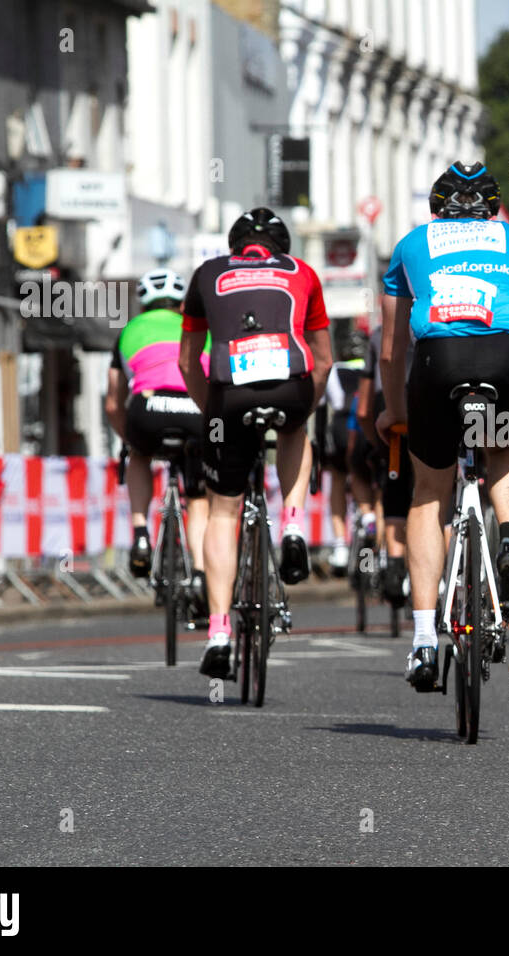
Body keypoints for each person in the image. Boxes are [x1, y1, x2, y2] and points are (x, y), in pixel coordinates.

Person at [376, 161, 509, 690]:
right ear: (495, 208)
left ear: (435, 209)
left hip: (439, 360)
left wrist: (393, 412)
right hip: (508, 357)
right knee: (505, 446)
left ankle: (425, 640)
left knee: (429, 491)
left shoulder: (411, 244)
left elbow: (390, 348)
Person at [179, 207, 333, 679]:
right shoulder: (302, 272)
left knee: (223, 512)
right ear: (281, 248)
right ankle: (292, 525)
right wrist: (306, 407)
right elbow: (324, 360)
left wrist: (214, 415)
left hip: (229, 392)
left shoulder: (207, 273)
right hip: (290, 383)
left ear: (235, 247)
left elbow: (188, 363)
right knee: (293, 428)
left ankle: (219, 633)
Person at [106, 269, 210, 597]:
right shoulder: (197, 327)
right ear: (181, 304)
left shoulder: (128, 331)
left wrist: (129, 437)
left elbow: (112, 401)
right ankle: (200, 572)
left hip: (148, 409)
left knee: (138, 454)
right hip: (194, 408)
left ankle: (140, 532)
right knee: (198, 498)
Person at [355, 323, 412, 606]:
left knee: (393, 490)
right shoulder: (440, 315)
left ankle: (394, 564)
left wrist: (376, 445)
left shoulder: (379, 334)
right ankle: (444, 577)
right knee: (439, 490)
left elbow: (363, 410)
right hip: (429, 399)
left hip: (386, 411)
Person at [318, 329, 375, 575]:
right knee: (373, 479)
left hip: (341, 428)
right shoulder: (370, 366)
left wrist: (321, 452)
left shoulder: (333, 370)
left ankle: (340, 546)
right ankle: (370, 521)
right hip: (369, 424)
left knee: (338, 480)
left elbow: (321, 414)